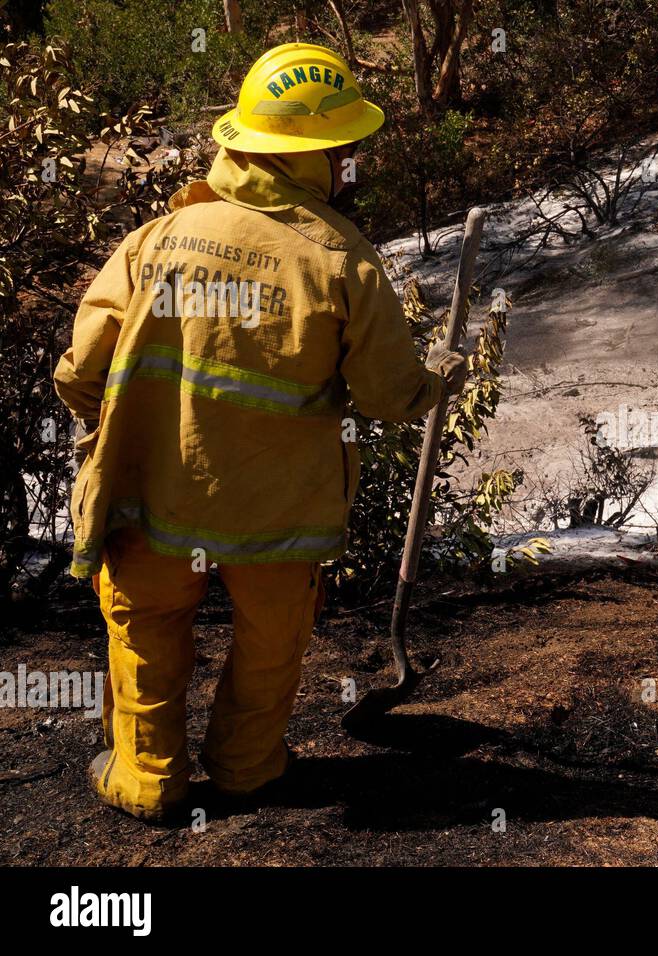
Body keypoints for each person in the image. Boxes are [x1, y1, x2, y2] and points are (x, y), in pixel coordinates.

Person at [53, 43, 467, 821]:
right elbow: (387, 396)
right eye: (345, 148)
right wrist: (440, 375)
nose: (353, 162)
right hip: (279, 520)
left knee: (147, 637)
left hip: (151, 506)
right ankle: (245, 769)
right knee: (271, 646)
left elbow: (80, 372)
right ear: (315, 157)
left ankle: (148, 780)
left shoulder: (155, 241)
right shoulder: (343, 260)